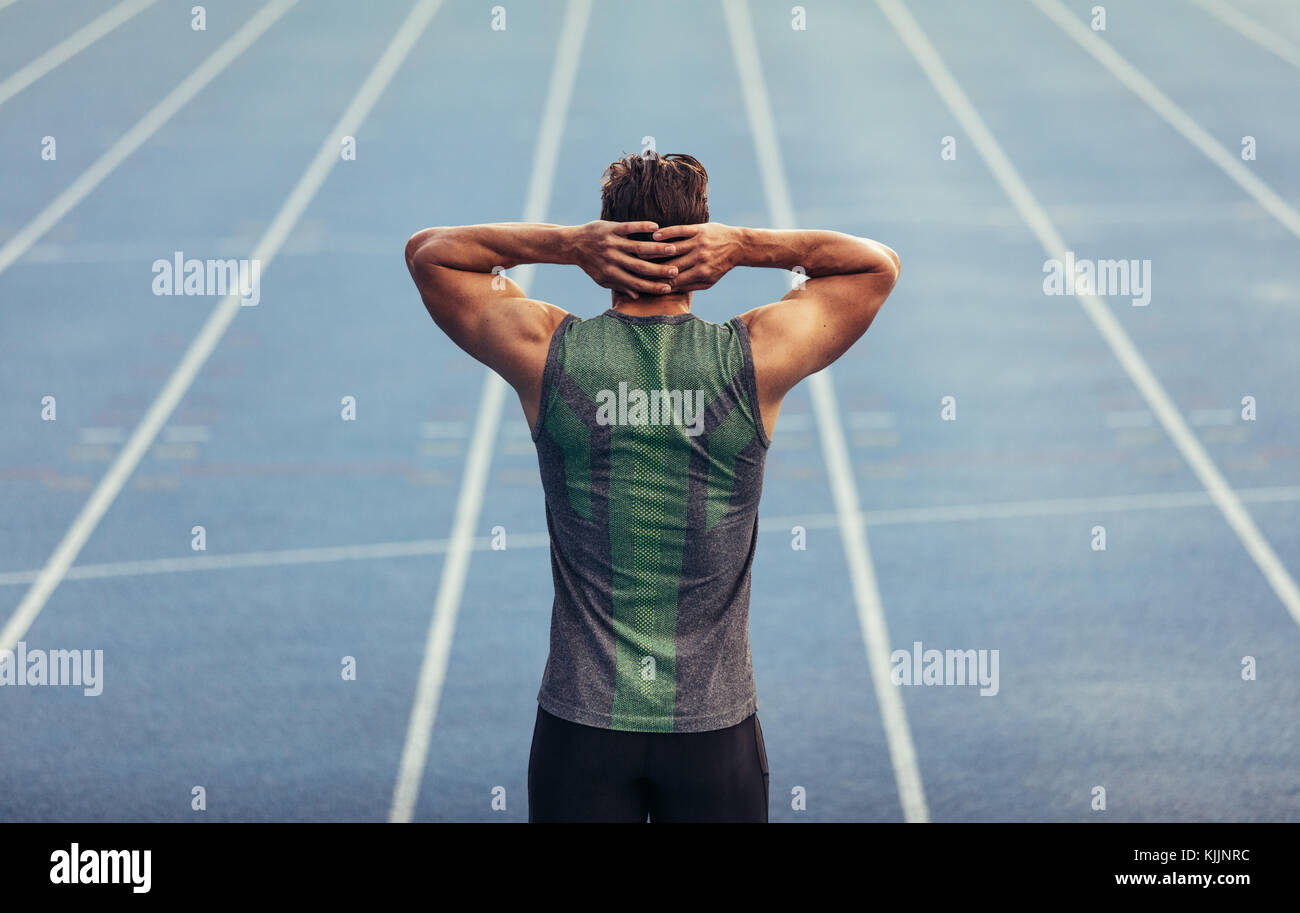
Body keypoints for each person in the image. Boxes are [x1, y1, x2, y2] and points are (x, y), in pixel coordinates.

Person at [405, 152, 899, 822]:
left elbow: (430, 254)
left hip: (582, 729)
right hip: (713, 733)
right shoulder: (755, 355)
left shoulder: (548, 350)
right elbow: (875, 265)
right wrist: (748, 246)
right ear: (703, 243)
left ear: (607, 240)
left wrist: (568, 244)